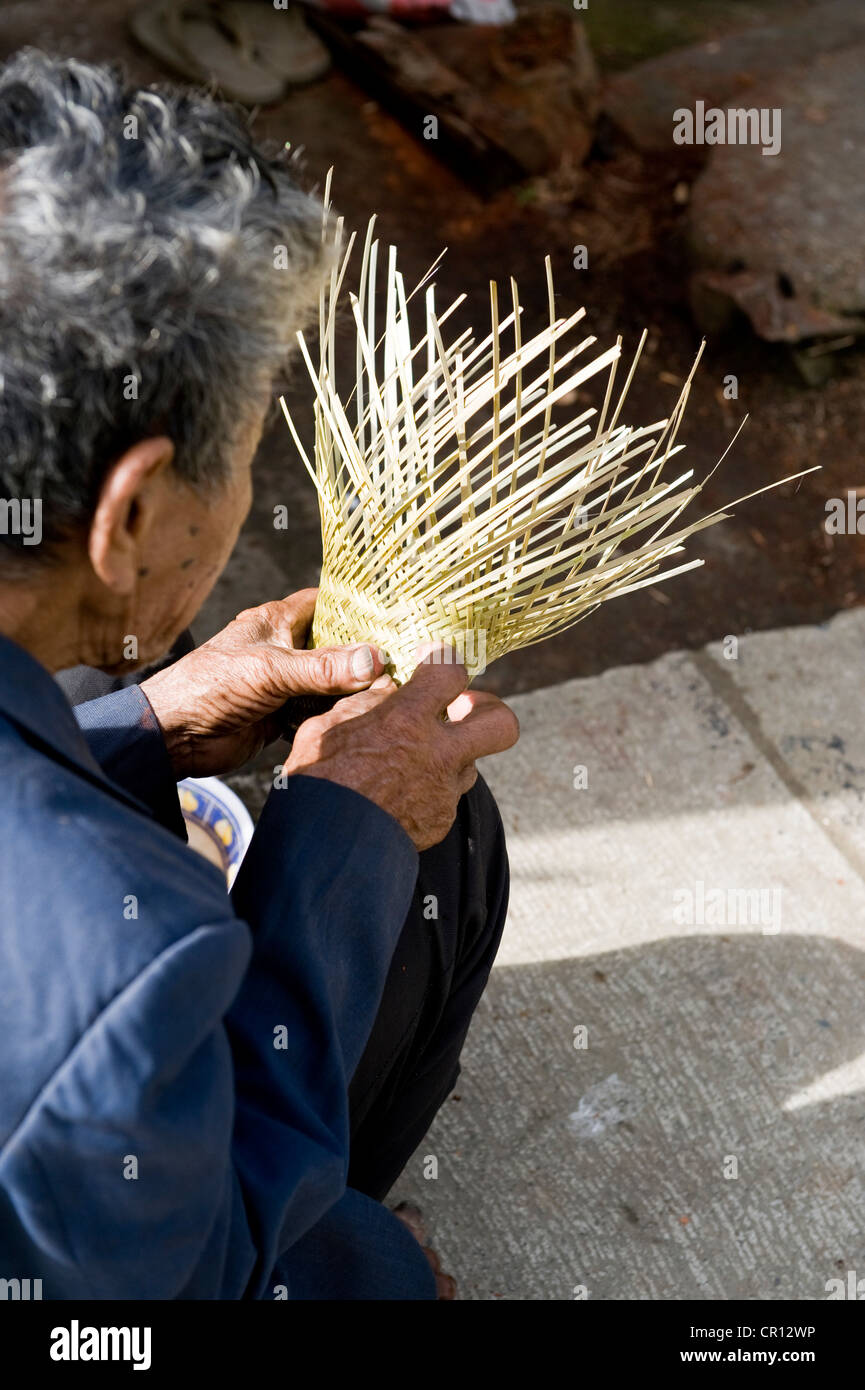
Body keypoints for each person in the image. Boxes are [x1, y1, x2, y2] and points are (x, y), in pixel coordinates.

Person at [0, 49, 518, 1300]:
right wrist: (339, 847)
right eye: (236, 455)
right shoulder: (116, 962)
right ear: (126, 515)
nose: (242, 502)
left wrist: (143, 726)